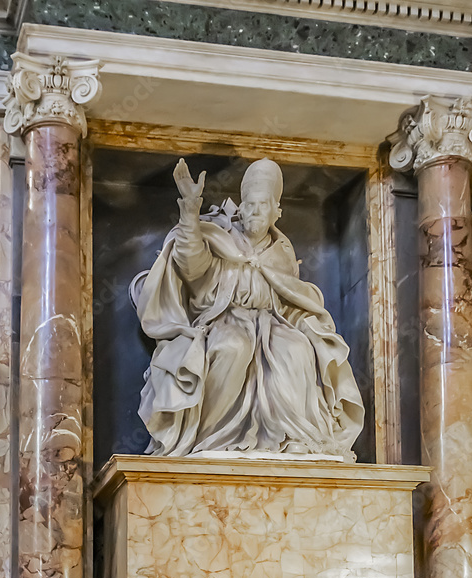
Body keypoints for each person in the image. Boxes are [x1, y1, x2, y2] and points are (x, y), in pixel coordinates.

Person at [133, 158, 364, 459]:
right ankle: (210, 438)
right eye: (250, 204)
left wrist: (309, 326)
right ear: (240, 208)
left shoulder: (281, 253)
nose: (255, 211)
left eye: (263, 205)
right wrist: (189, 212)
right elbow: (192, 265)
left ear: (276, 213)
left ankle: (294, 436)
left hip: (272, 325)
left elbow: (289, 299)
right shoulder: (222, 239)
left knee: (297, 350)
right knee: (232, 346)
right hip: (222, 319)